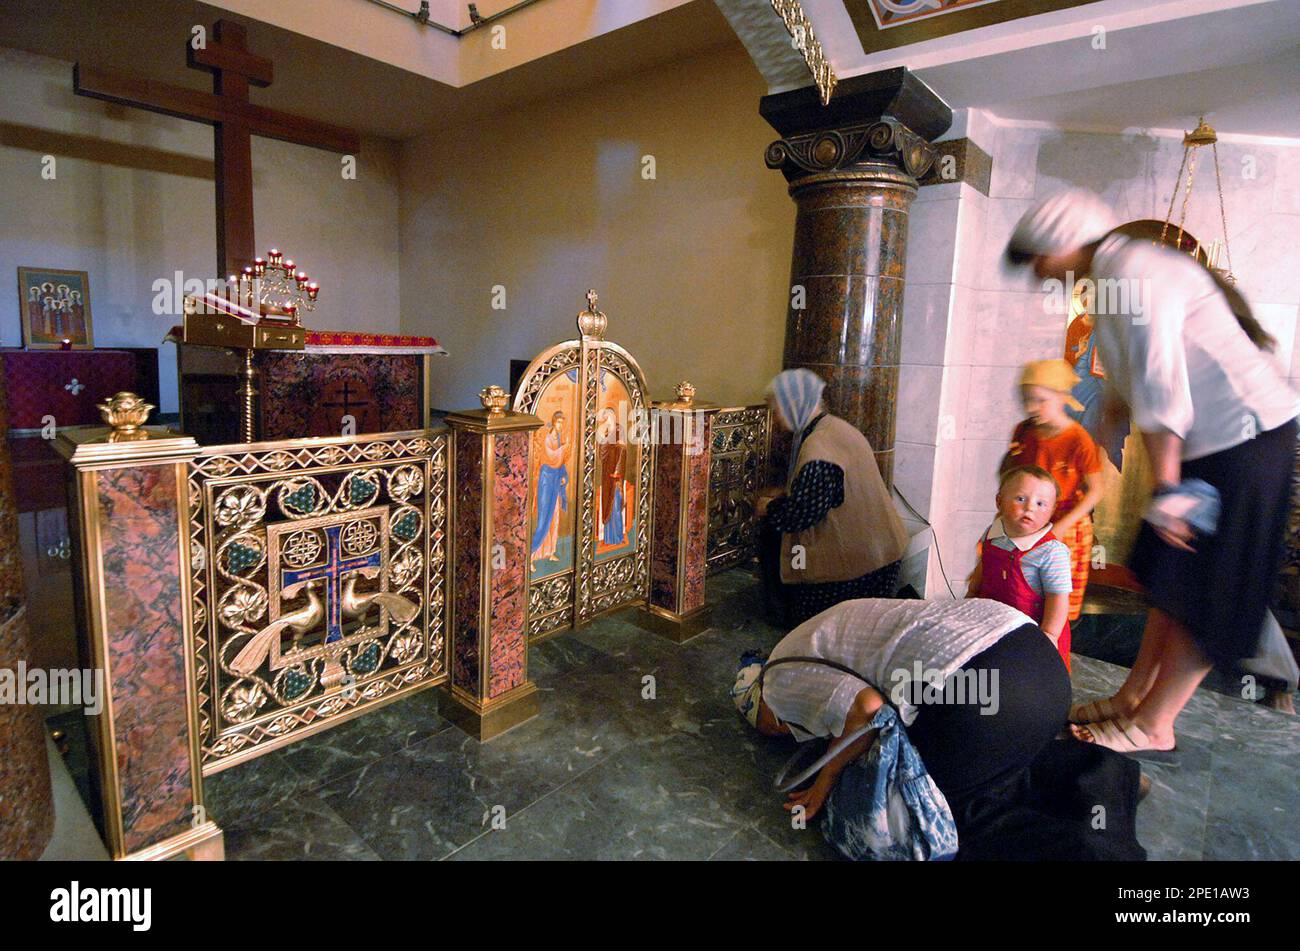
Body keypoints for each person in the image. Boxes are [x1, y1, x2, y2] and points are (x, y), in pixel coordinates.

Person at [1005, 188, 1300, 755]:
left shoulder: (1131, 270)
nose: (1041, 272)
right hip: (1220, 444)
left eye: (1039, 258)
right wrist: (1107, 427)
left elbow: (1162, 382)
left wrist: (1169, 488)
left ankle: (1155, 724)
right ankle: (1132, 698)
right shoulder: (1116, 273)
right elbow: (1129, 378)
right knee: (1167, 577)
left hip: (1248, 437)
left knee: (1202, 586)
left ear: (1065, 243)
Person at [732, 597, 1146, 860]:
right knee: (1010, 759)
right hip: (1037, 661)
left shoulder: (781, 680)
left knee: (942, 816)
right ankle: (1105, 773)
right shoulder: (820, 631)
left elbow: (866, 707)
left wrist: (824, 781)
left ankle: (1093, 851)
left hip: (978, 687)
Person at [757, 369, 907, 626]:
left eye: (778, 409)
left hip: (857, 570)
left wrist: (768, 507)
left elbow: (800, 515)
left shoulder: (820, 446)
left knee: (819, 633)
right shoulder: (836, 427)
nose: (776, 418)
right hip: (881, 552)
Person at [1002, 359, 1105, 627]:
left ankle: (1052, 650)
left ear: (1062, 397)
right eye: (1026, 400)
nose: (1031, 408)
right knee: (1021, 592)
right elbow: (1012, 475)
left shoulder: (1078, 439)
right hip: (1029, 519)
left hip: (1064, 526)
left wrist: (1062, 526)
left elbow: (1096, 490)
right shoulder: (1024, 431)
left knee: (1055, 601)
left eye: (1040, 400)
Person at [967, 466, 1073, 669]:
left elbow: (1058, 598)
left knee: (1032, 678)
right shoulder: (992, 533)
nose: (1030, 508)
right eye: (1020, 499)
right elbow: (983, 567)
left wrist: (1049, 635)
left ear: (1052, 511)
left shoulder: (1051, 552)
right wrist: (971, 596)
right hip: (993, 621)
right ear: (999, 501)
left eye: (1041, 504)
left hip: (1034, 632)